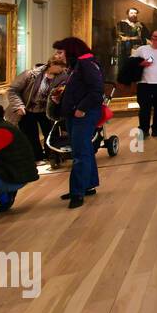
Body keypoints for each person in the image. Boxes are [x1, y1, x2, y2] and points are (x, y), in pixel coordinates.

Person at [53, 36, 105, 209]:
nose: (57, 55)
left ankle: (77, 192)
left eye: (60, 52)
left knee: (80, 153)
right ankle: (87, 185)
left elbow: (97, 90)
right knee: (84, 151)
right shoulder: (77, 65)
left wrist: (81, 108)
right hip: (76, 113)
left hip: (83, 114)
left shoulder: (86, 64)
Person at [6, 51, 68, 162]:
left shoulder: (63, 77)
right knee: (30, 135)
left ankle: (53, 156)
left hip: (47, 110)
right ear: (52, 65)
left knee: (50, 133)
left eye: (64, 67)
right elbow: (12, 90)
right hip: (28, 109)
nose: (62, 69)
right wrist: (19, 106)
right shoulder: (31, 74)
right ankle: (36, 157)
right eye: (60, 66)